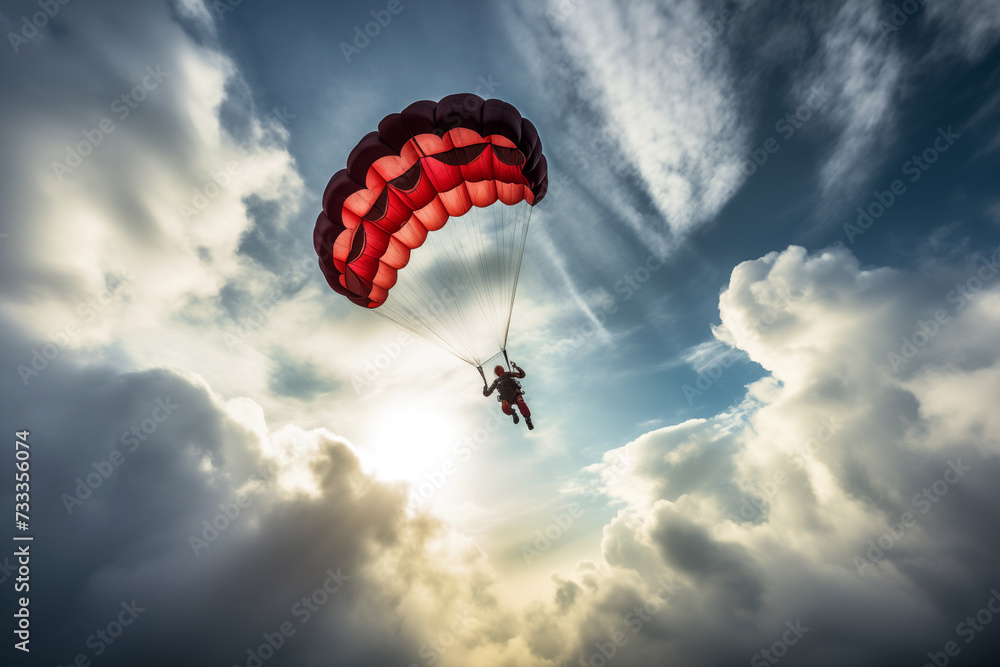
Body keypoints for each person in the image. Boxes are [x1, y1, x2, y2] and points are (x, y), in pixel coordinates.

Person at [483, 362, 533, 429]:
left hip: (515, 394)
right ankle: (513, 413)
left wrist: (516, 367)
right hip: (507, 399)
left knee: (521, 404)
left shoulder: (508, 374)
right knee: (505, 408)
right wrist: (485, 388)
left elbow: (522, 375)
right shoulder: (496, 381)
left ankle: (527, 420)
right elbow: (487, 394)